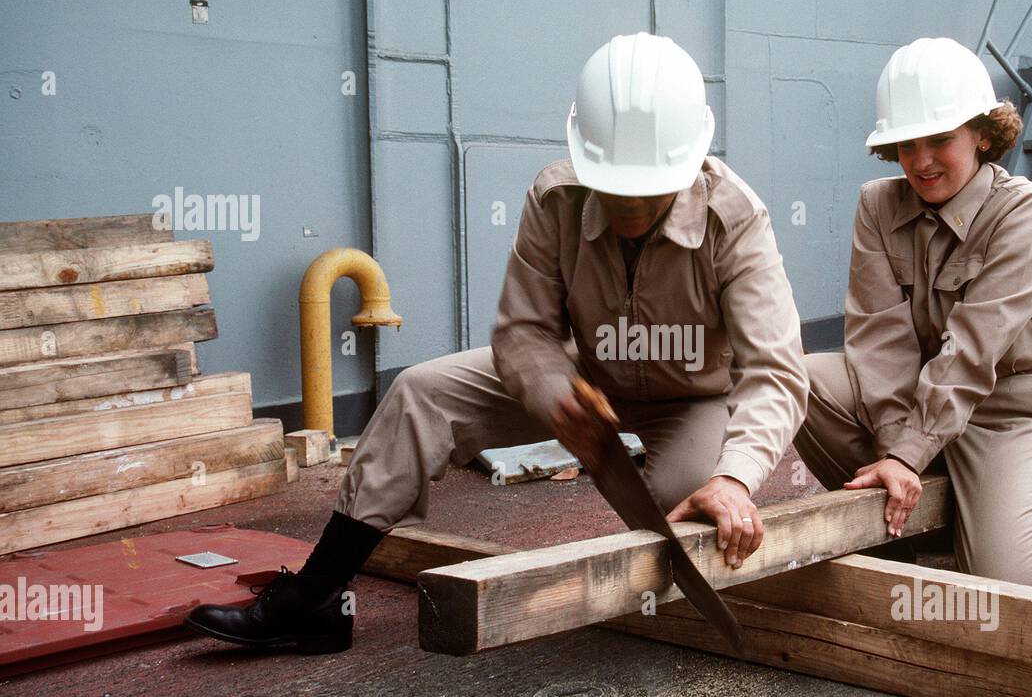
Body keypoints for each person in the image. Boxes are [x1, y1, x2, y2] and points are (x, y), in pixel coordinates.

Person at [185, 33, 809, 653]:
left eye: (650, 187)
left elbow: (776, 371)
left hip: (691, 396)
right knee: (419, 394)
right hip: (583, 377)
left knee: (696, 515)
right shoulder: (553, 197)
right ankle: (315, 598)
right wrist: (553, 391)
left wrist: (737, 477)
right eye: (614, 184)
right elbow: (524, 330)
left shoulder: (738, 218)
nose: (631, 203)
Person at [793, 37, 1032, 592]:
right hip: (913, 401)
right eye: (906, 144)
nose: (921, 161)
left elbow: (971, 351)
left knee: (1016, 589)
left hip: (1010, 412)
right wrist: (897, 451)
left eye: (939, 139)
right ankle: (921, 519)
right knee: (803, 378)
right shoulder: (877, 205)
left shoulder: (1027, 213)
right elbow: (878, 340)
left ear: (982, 133)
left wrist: (908, 452)